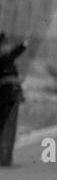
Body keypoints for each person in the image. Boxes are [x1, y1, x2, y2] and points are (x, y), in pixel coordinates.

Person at [0, 31, 28, 167]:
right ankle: (5, 160)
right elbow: (12, 54)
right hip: (8, 96)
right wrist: (23, 45)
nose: (7, 47)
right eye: (5, 44)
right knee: (8, 128)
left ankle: (4, 158)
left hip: (7, 96)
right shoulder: (5, 58)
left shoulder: (6, 59)